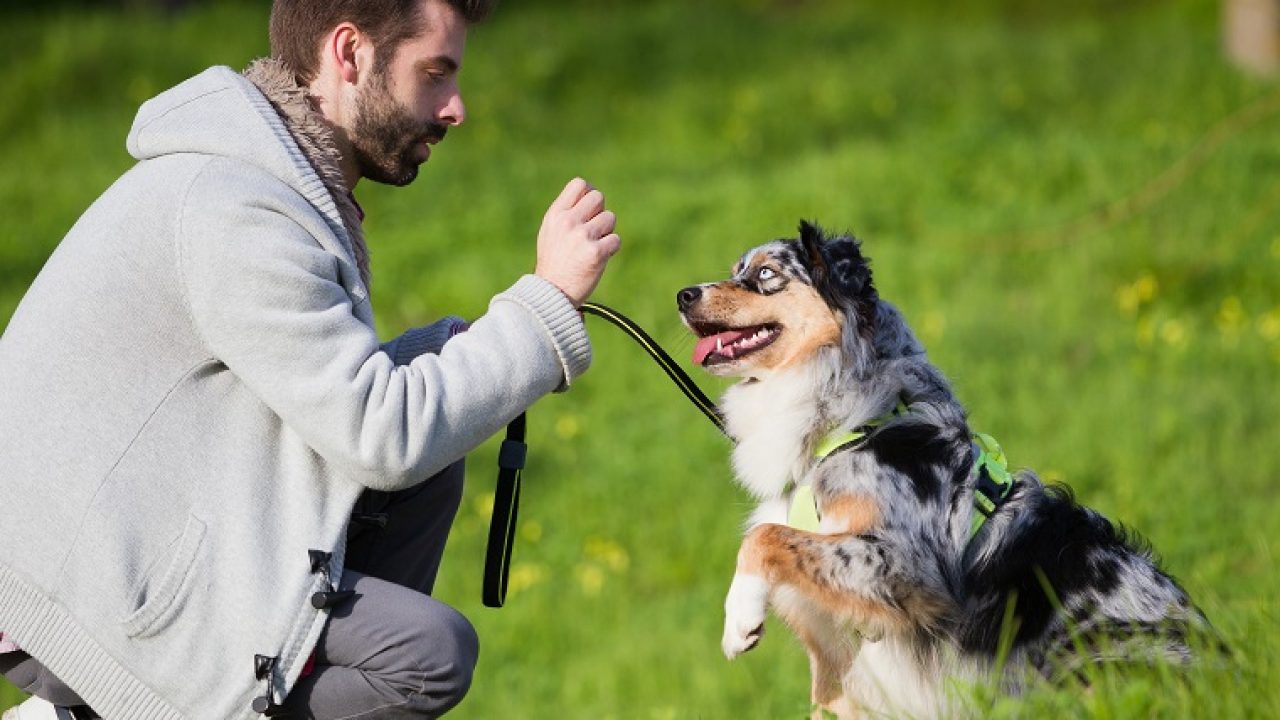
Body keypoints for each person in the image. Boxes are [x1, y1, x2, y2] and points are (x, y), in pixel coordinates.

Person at [0, 0, 620, 717]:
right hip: (74, 594)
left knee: (432, 462)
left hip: (143, 545)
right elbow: (383, 436)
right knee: (426, 657)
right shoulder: (235, 211)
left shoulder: (268, 186)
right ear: (350, 54)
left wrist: (455, 354)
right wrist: (542, 309)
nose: (456, 108)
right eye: (435, 74)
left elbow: (338, 409)